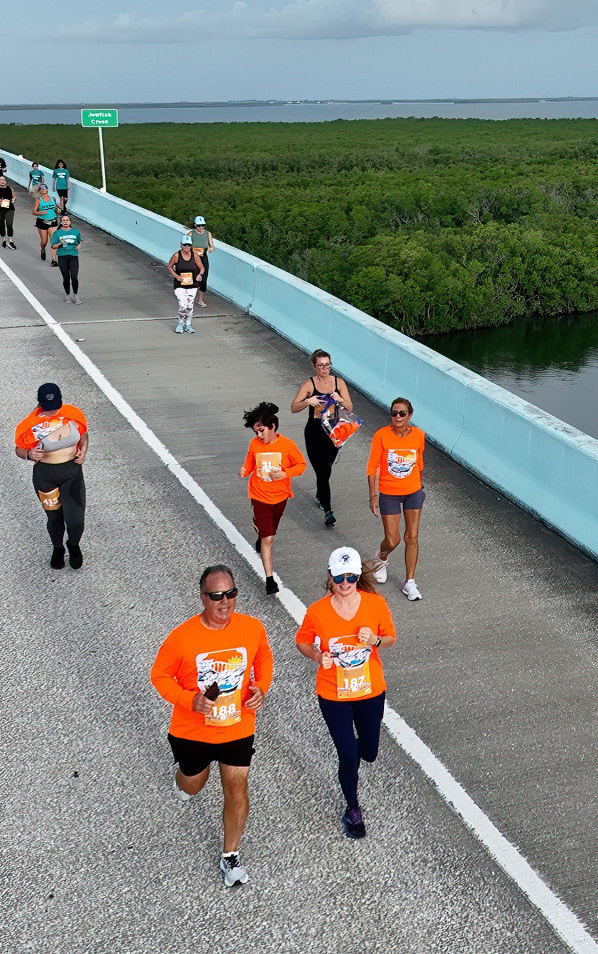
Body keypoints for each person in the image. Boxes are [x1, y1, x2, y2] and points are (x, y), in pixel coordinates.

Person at [149, 565, 272, 887]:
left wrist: (262, 687)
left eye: (231, 593)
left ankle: (230, 855)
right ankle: (183, 782)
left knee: (237, 787)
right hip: (193, 731)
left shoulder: (251, 628)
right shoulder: (182, 637)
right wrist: (190, 700)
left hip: (237, 725)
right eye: (216, 595)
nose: (225, 602)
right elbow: (159, 676)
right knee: (193, 784)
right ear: (203, 598)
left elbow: (263, 659)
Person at [295, 547, 394, 840]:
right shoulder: (317, 611)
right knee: (348, 754)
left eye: (351, 577)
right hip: (333, 692)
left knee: (369, 753)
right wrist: (316, 656)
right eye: (340, 577)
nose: (346, 583)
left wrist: (374, 640)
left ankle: (357, 753)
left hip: (369, 691)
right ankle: (353, 810)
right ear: (330, 577)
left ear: (358, 576)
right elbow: (302, 641)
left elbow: (390, 638)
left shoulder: (375, 604)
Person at [12, 382, 88, 569]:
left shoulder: (73, 414)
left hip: (72, 474)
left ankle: (73, 545)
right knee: (54, 518)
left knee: (75, 519)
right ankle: (57, 548)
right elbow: (19, 449)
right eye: (47, 409)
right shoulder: (30, 424)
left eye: (55, 408)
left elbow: (84, 434)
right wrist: (29, 455)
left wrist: (83, 450)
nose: (52, 413)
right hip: (46, 476)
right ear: (39, 404)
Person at [239, 401, 307, 595]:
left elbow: (300, 465)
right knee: (268, 538)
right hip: (259, 495)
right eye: (256, 432)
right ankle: (270, 579)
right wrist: (244, 471)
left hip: (280, 497)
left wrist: (284, 474)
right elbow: (250, 463)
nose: (259, 436)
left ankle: (262, 538)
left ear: (272, 427)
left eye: (262, 431)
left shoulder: (287, 445)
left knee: (270, 533)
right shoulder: (254, 444)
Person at [365, 398, 426, 601]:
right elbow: (372, 467)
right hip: (389, 492)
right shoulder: (381, 435)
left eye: (402, 413)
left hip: (413, 491)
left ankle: (409, 582)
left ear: (410, 415)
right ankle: (381, 558)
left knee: (412, 537)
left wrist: (420, 485)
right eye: (394, 413)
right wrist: (373, 496)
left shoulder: (418, 435)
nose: (397, 417)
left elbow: (419, 463)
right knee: (393, 540)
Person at [291, 349, 354, 529]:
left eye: (327, 365)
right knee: (322, 470)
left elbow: (350, 406)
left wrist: (340, 398)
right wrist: (307, 402)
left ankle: (320, 494)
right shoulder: (309, 385)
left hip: (333, 431)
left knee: (327, 467)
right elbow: (293, 407)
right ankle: (328, 511)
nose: (324, 369)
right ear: (314, 366)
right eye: (321, 366)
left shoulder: (338, 382)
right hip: (314, 432)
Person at [166, 233, 204, 334]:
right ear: (181, 245)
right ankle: (180, 323)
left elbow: (202, 268)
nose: (187, 247)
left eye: (189, 245)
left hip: (192, 284)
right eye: (185, 245)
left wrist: (200, 275)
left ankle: (188, 324)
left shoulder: (195, 256)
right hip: (180, 285)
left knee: (190, 305)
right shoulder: (176, 255)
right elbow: (169, 266)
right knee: (182, 305)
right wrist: (176, 276)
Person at [185, 215, 214, 311]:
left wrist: (210, 248)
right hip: (193, 257)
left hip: (203, 257)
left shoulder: (208, 234)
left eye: (203, 225)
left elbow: (211, 245)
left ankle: (200, 300)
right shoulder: (190, 234)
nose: (201, 228)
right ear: (195, 225)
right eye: (199, 226)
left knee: (203, 278)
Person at [51, 214, 82, 303]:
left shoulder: (75, 231)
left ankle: (76, 295)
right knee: (66, 277)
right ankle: (68, 295)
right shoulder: (57, 233)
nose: (65, 222)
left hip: (73, 256)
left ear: (70, 222)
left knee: (74, 277)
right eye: (64, 220)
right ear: (61, 222)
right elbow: (53, 246)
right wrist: (59, 244)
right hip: (62, 256)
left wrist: (79, 245)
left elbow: (80, 240)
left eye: (67, 220)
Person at [0, 173, 17, 249]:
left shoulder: (10, 188)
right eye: (0, 180)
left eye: (3, 180)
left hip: (9, 209)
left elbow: (14, 196)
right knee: (1, 225)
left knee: (9, 224)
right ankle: (4, 240)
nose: (2, 181)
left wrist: (13, 199)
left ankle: (11, 241)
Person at [33, 185, 59, 262]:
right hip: (42, 222)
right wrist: (40, 212)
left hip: (53, 221)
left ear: (47, 190)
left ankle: (54, 260)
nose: (44, 190)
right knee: (44, 241)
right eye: (42, 189)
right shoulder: (38, 200)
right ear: (39, 191)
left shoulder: (52, 199)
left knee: (53, 240)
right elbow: (34, 212)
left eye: (45, 188)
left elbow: (55, 209)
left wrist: (57, 210)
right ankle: (43, 249)